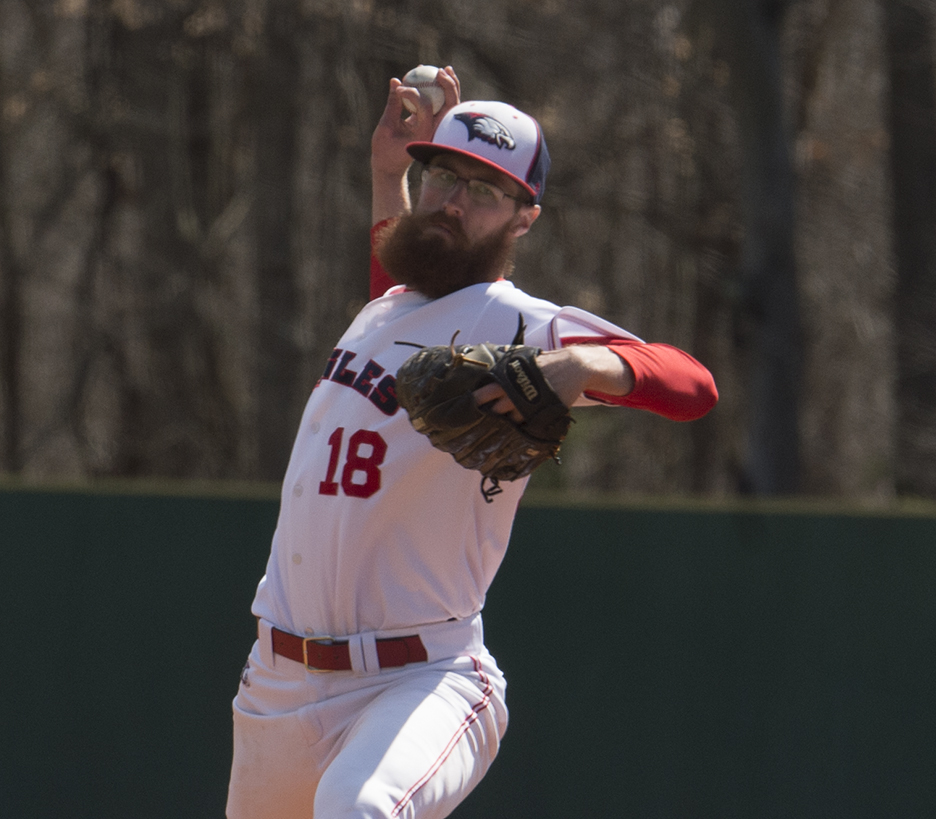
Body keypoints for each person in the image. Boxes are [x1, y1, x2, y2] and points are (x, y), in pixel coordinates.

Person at [226, 66, 718, 819]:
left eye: (485, 191)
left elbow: (693, 385)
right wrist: (387, 172)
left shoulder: (520, 324)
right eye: (444, 177)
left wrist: (586, 365)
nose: (454, 202)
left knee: (359, 808)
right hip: (278, 682)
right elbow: (404, 291)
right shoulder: (387, 308)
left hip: (416, 679)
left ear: (525, 218)